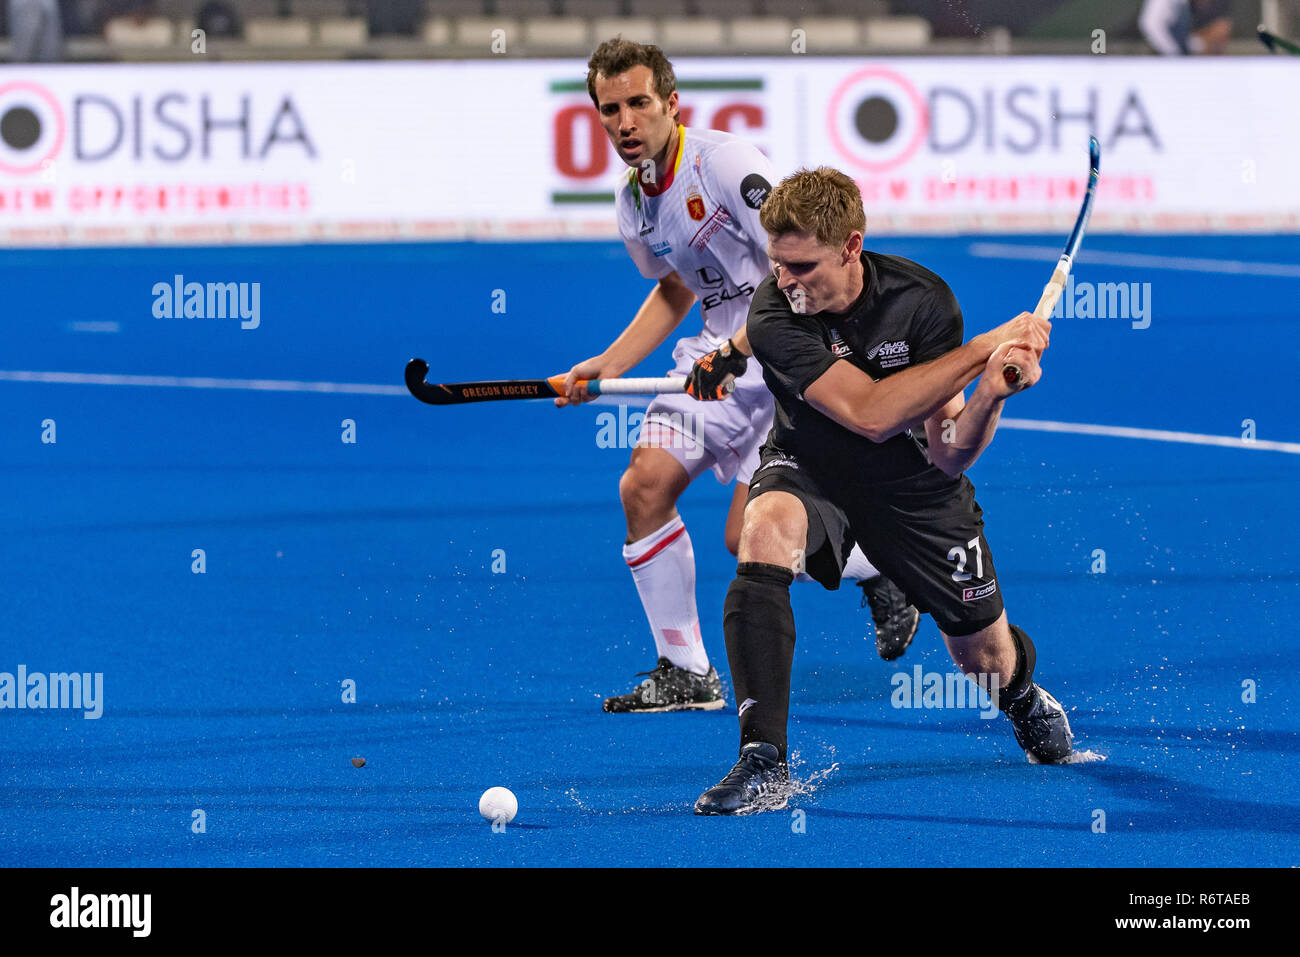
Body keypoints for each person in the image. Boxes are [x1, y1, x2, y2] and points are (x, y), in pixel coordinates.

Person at [694, 167, 1077, 815]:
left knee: (982, 656)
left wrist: (990, 391)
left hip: (916, 487)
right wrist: (985, 347)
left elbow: (952, 450)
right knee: (762, 531)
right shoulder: (773, 310)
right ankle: (762, 758)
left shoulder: (923, 301)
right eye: (776, 262)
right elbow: (869, 414)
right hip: (811, 466)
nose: (785, 280)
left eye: (802, 265)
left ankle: (1019, 695)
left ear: (851, 245)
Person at [556, 40, 918, 715]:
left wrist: (745, 350)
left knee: (746, 535)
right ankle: (686, 670)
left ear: (671, 104)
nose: (626, 122)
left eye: (638, 103)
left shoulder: (725, 166)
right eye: (611, 110)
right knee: (643, 485)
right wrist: (608, 364)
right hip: (714, 359)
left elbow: (799, 265)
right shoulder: (635, 202)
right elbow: (675, 289)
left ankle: (879, 563)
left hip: (789, 359)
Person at [1139, 0, 1233, 55]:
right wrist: (1173, 53)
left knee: (1221, 29)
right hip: (1167, 57)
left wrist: (1199, 45)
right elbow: (1150, 24)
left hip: (1187, 53)